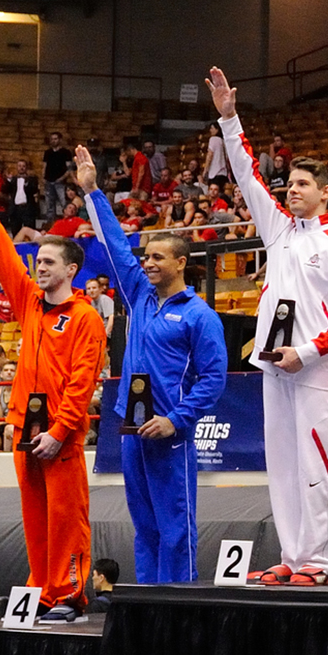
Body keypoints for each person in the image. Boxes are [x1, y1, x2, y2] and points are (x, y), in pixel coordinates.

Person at [212, 70, 328, 585]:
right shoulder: (277, 230)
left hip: (315, 369)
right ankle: (292, 554)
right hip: (273, 367)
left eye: (303, 184)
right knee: (280, 466)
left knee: (316, 465)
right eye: (291, 184)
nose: (292, 189)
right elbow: (246, 176)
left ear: (327, 192)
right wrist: (229, 119)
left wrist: (307, 351)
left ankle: (319, 563)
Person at [0, 158, 105, 623]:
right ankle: (40, 591)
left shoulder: (84, 318)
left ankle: (69, 596)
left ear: (72, 269)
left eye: (48, 262)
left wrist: (61, 431)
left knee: (67, 521)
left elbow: (82, 383)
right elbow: (4, 257)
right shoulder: (29, 304)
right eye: (37, 261)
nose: (38, 268)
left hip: (60, 440)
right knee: (37, 523)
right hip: (25, 433)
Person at [84, 148, 228, 586]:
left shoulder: (200, 315)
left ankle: (177, 607)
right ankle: (146, 602)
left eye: (157, 258)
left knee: (175, 527)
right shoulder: (139, 296)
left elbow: (213, 379)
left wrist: (175, 420)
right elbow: (113, 245)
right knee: (144, 526)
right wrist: (92, 191)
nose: (147, 263)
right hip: (131, 428)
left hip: (170, 434)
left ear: (181, 263)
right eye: (145, 257)